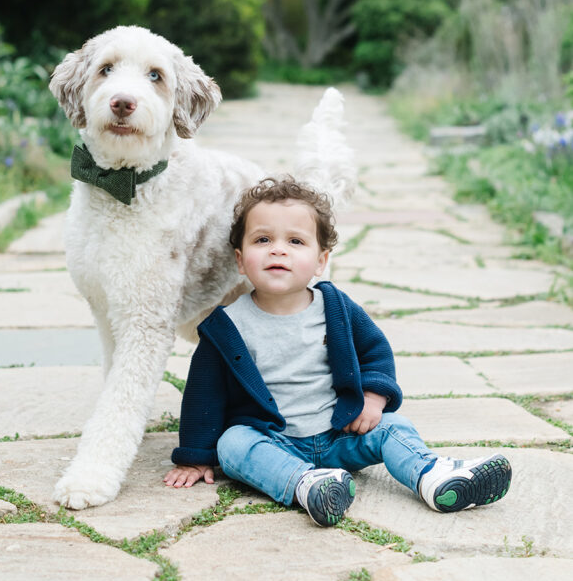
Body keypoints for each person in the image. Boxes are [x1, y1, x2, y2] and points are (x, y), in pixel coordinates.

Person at [164, 177, 512, 527]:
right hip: (274, 442)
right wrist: (196, 456)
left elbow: (375, 351)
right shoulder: (226, 326)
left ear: (320, 261)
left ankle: (431, 476)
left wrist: (374, 398)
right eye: (263, 239)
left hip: (339, 435)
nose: (278, 250)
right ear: (240, 260)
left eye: (295, 241)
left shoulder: (337, 308)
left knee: (395, 427)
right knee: (233, 445)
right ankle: (307, 485)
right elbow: (202, 394)